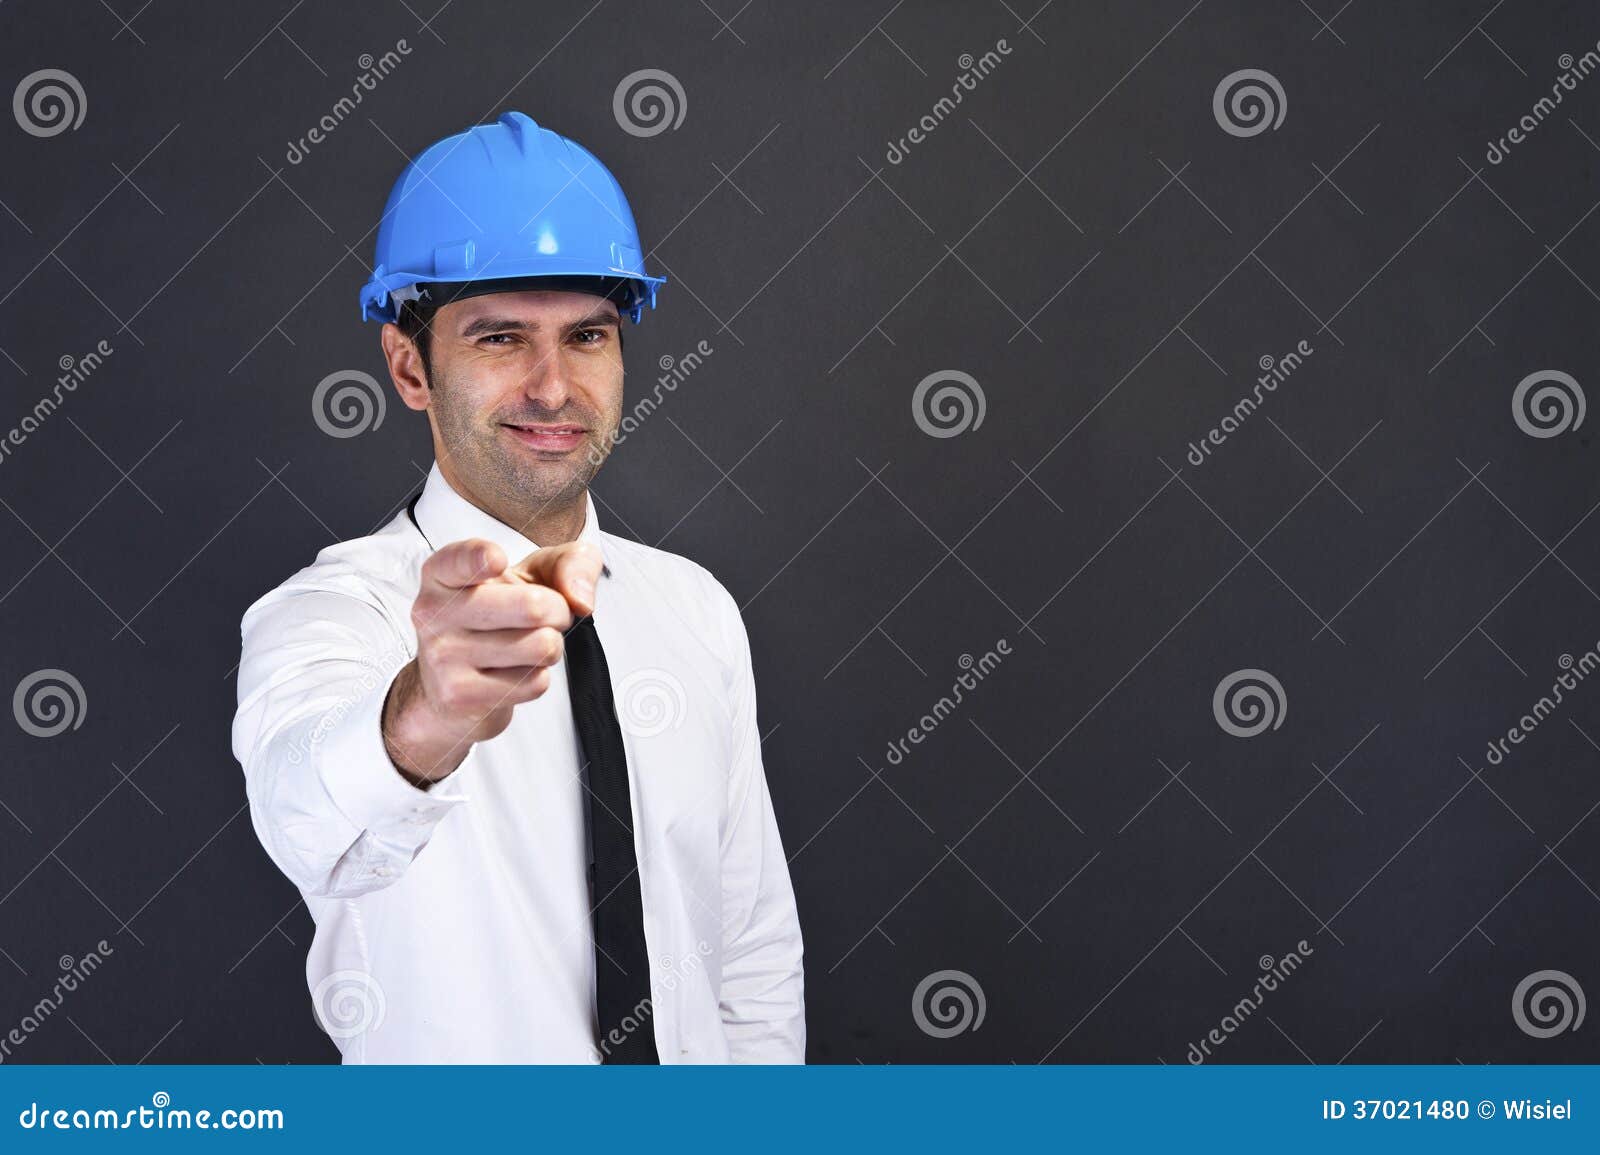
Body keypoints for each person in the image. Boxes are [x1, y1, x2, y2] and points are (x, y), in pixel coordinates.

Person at [231, 111, 805, 1063]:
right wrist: (422, 718)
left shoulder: (695, 609)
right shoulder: (335, 612)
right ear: (411, 366)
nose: (551, 387)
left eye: (586, 335)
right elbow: (307, 823)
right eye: (500, 339)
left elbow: (747, 952)